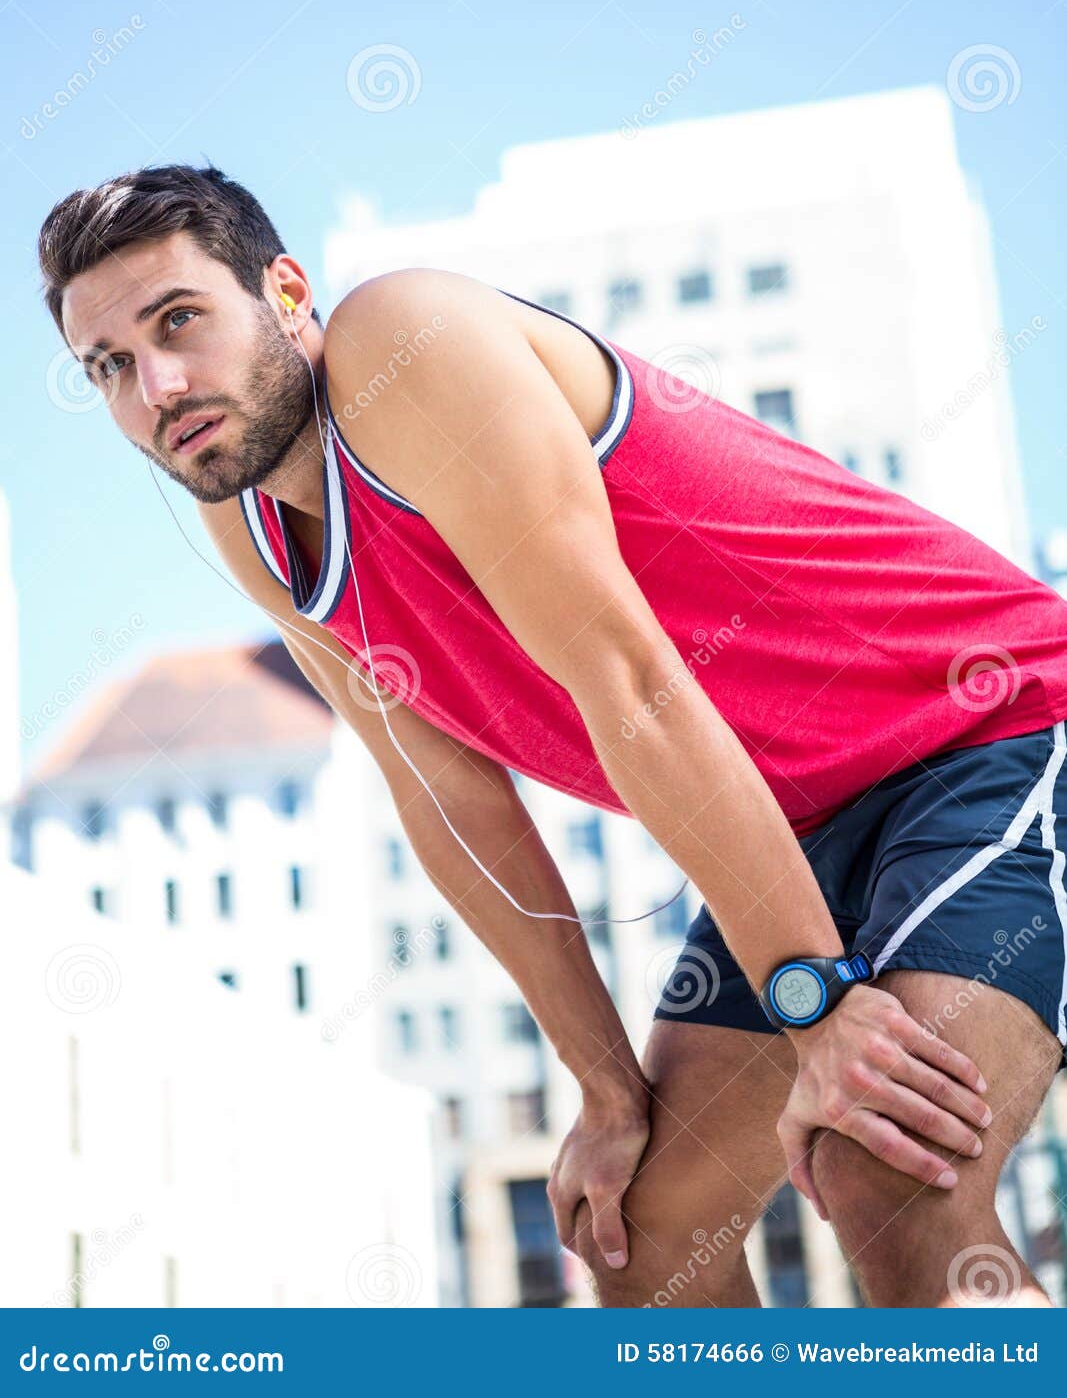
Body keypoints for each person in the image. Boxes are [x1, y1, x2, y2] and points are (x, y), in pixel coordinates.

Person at [39, 163, 1067, 1309]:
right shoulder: (249, 521)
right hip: (799, 822)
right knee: (636, 1231)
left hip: (996, 723)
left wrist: (813, 996)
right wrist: (603, 1084)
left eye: (178, 320)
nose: (158, 386)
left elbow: (625, 680)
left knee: (883, 1163)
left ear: (285, 291)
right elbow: (448, 802)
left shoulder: (404, 343)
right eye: (110, 369)